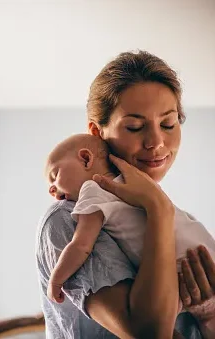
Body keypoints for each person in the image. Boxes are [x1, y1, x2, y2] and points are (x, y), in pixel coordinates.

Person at [36, 50, 215, 339]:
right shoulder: (67, 218)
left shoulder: (184, 225)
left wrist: (208, 314)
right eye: (134, 127)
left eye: (168, 124)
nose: (156, 143)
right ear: (97, 132)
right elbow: (150, 333)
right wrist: (158, 208)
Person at [43, 134, 215, 332]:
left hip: (182, 265)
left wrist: (56, 280)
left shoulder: (93, 189)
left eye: (55, 175)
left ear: (86, 159)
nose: (51, 188)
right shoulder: (142, 189)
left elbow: (81, 245)